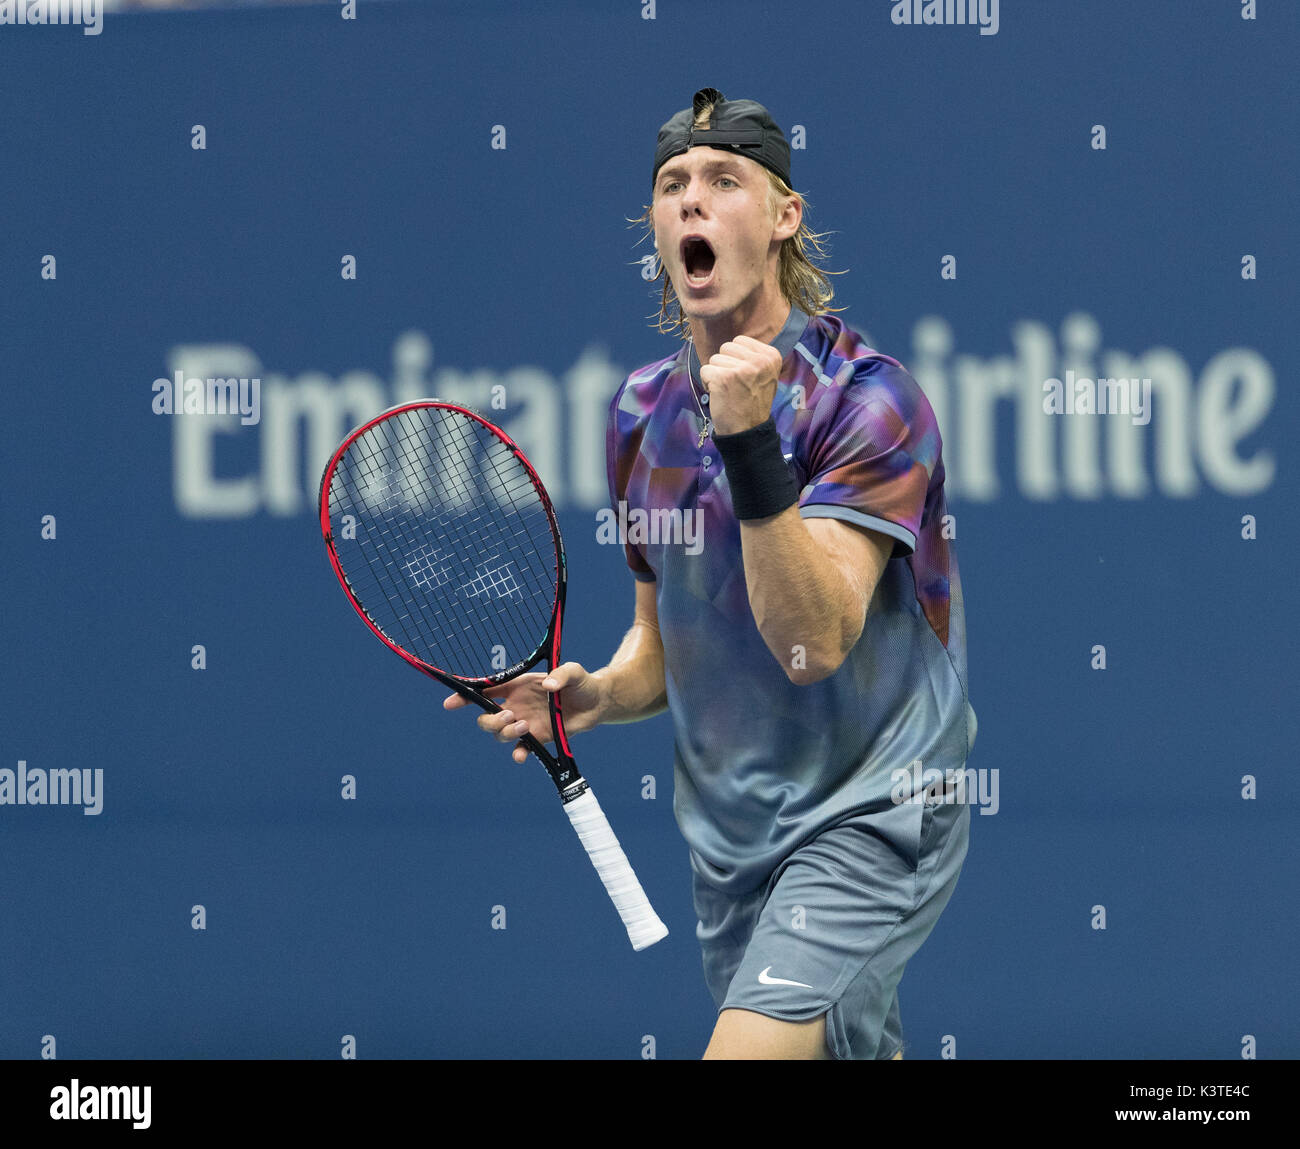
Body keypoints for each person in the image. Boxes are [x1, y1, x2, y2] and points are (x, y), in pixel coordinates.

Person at [445, 87, 975, 1060]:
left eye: (724, 180)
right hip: (733, 845)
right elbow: (661, 641)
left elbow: (812, 644)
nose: (692, 201)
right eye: (671, 184)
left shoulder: (868, 397)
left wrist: (746, 440)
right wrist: (594, 692)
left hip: (875, 812)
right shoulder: (639, 413)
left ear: (783, 218)